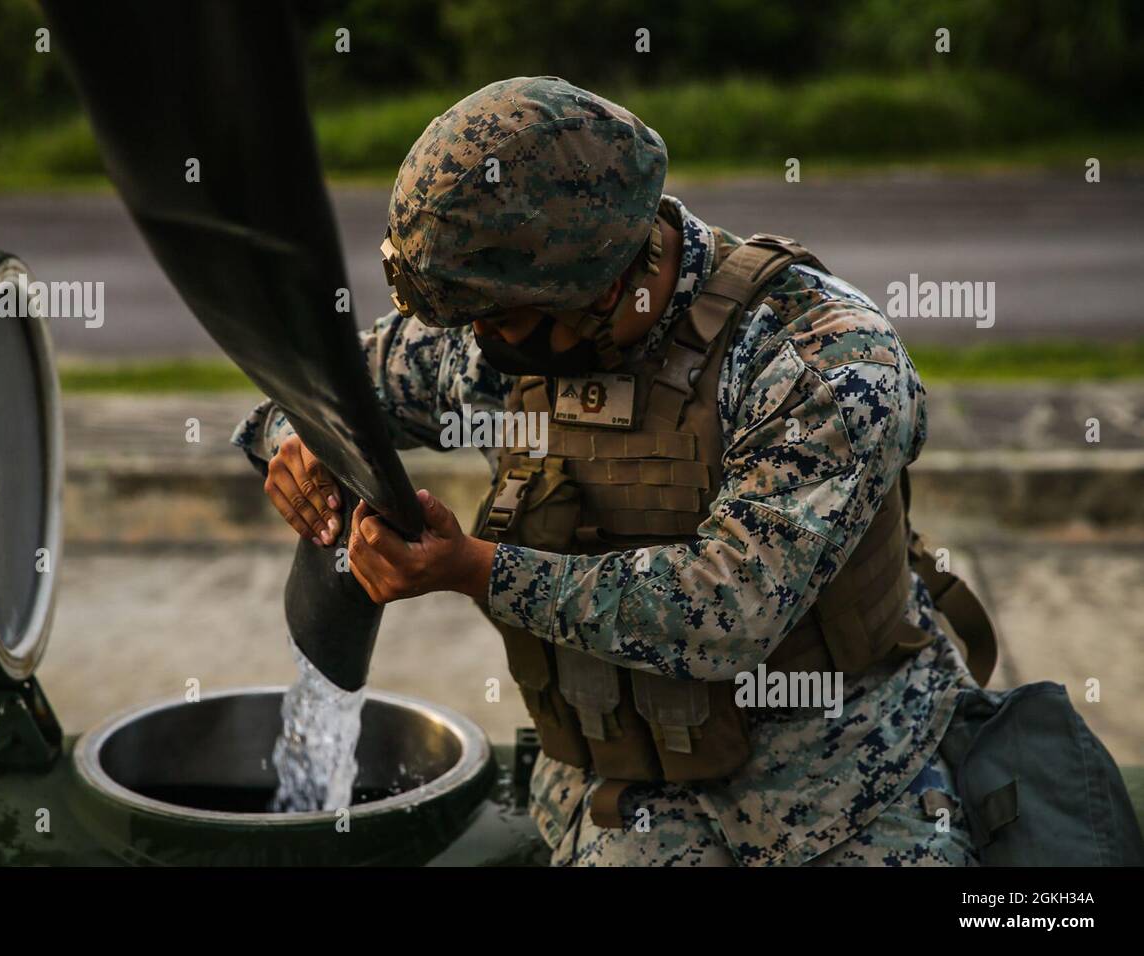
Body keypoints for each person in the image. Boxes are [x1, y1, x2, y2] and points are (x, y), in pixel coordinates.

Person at [233, 75, 993, 866]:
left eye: (502, 320)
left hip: (841, 786)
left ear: (604, 287)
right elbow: (325, 386)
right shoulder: (504, 322)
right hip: (612, 784)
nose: (482, 342)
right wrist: (301, 440)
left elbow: (727, 609)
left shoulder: (819, 360)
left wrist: (475, 569)